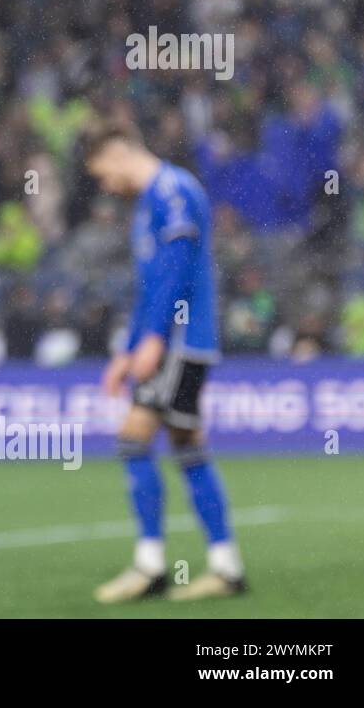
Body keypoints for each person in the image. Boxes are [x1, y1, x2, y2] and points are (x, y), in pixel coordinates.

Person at [82, 120, 245, 603]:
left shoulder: (173, 190)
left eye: (102, 174)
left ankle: (151, 565)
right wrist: (127, 351)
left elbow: (176, 271)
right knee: (188, 447)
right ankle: (226, 566)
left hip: (181, 338)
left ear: (118, 153)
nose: (104, 186)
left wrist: (154, 339)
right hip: (172, 339)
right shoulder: (147, 205)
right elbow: (151, 288)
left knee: (134, 438)